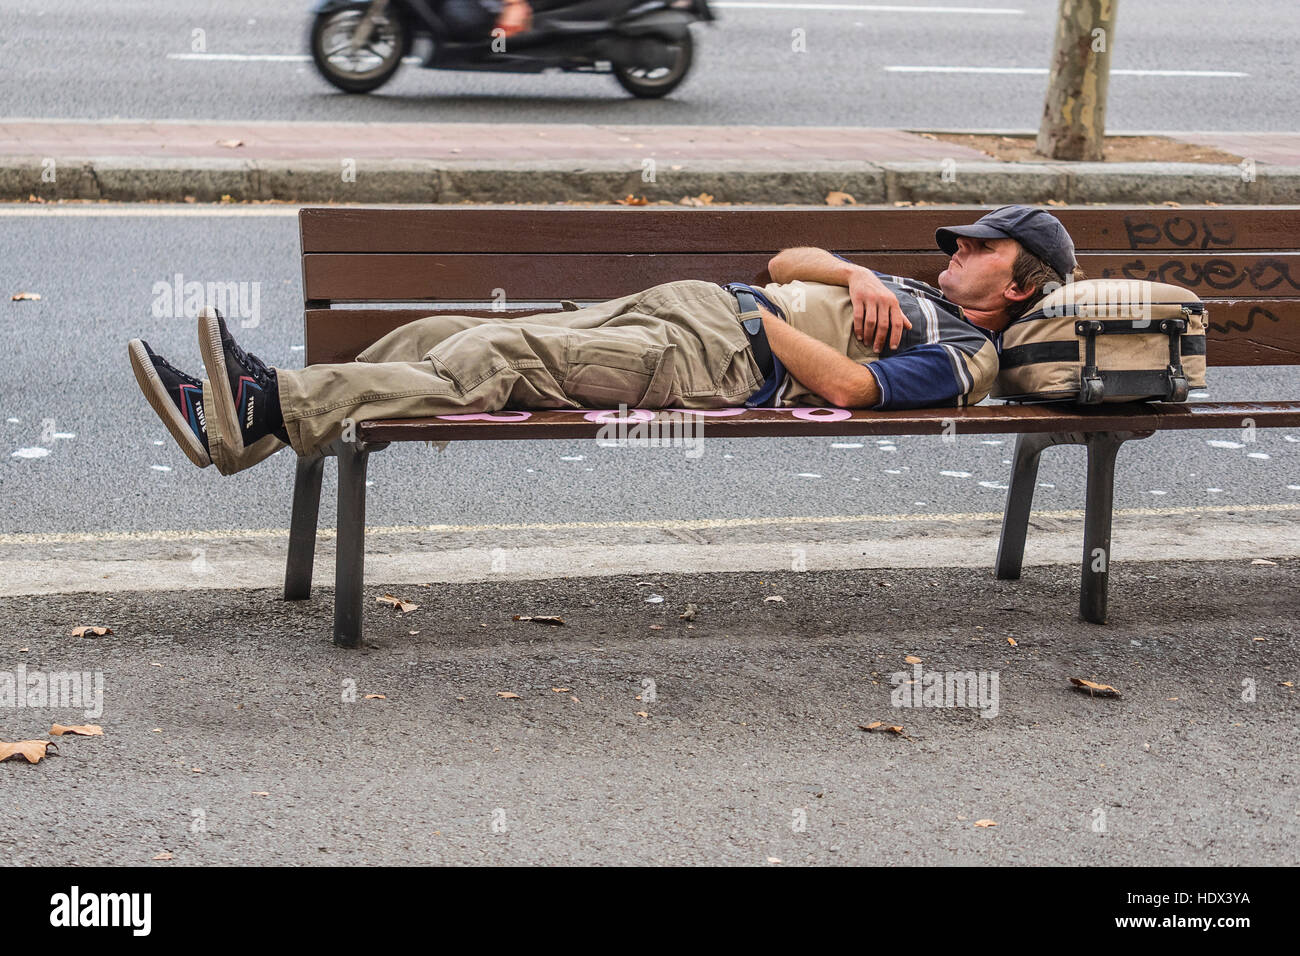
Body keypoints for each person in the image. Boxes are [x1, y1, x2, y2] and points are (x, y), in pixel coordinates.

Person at [128, 205, 1081, 475]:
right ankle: (243, 425)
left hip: (718, 357)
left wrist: (765, 321)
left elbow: (853, 389)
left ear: (1022, 280)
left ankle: (267, 405)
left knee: (494, 363)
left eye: (983, 246)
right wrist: (857, 274)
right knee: (442, 329)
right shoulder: (906, 290)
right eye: (960, 240)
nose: (960, 248)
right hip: (692, 310)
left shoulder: (967, 355)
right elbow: (789, 253)